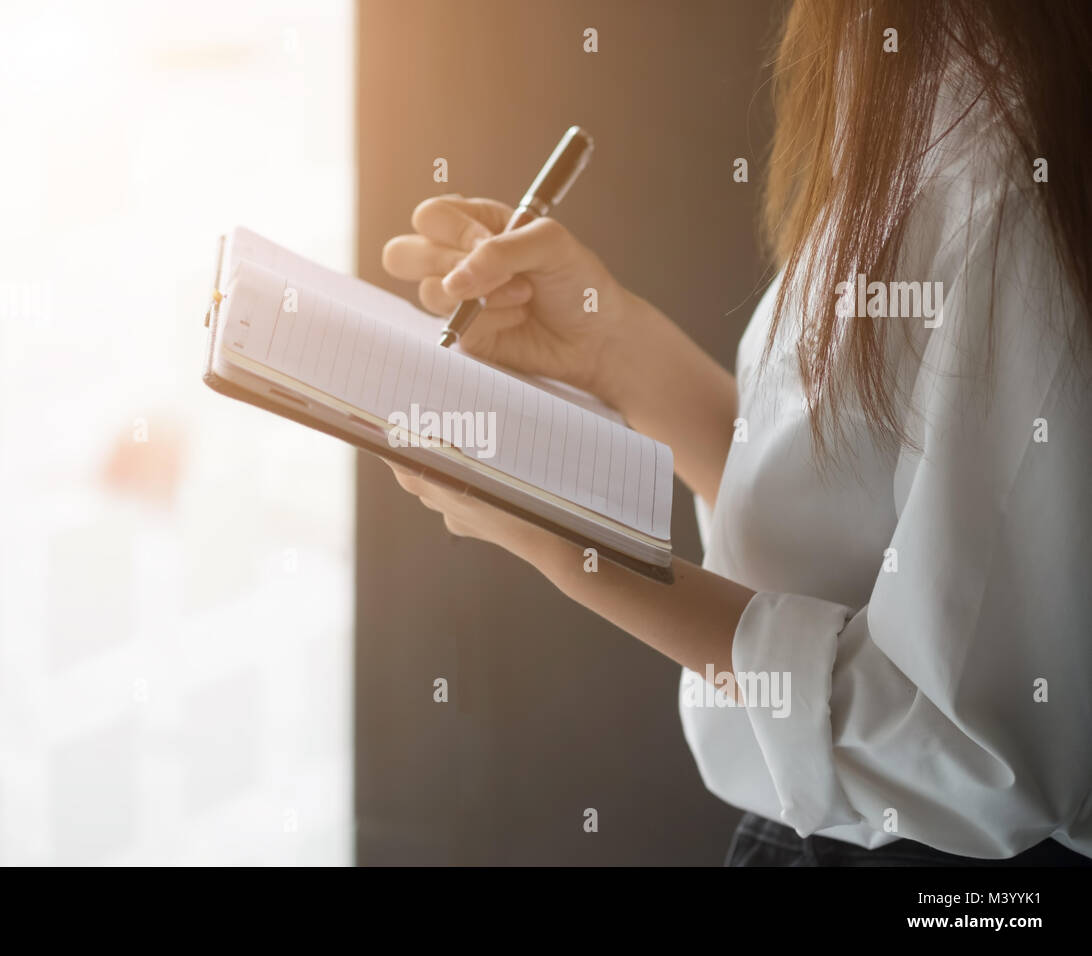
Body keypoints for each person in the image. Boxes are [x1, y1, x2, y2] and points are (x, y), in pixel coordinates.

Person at [378, 0, 1092, 865]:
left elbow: (976, 758)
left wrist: (570, 545)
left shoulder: (1018, 190)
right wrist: (611, 350)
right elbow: (848, 522)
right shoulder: (928, 79)